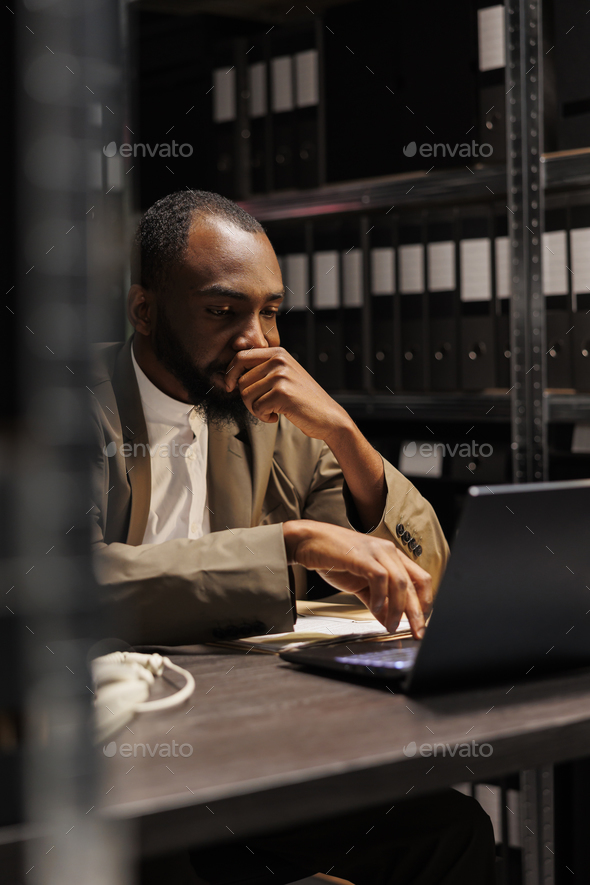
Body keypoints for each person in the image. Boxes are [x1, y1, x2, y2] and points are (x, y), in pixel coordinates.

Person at [91, 190, 495, 884]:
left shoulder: (266, 413)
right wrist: (291, 544)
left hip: (242, 741)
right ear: (144, 310)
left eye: (271, 311)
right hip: (110, 754)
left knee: (452, 835)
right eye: (224, 311)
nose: (260, 341)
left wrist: (342, 429)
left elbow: (420, 569)